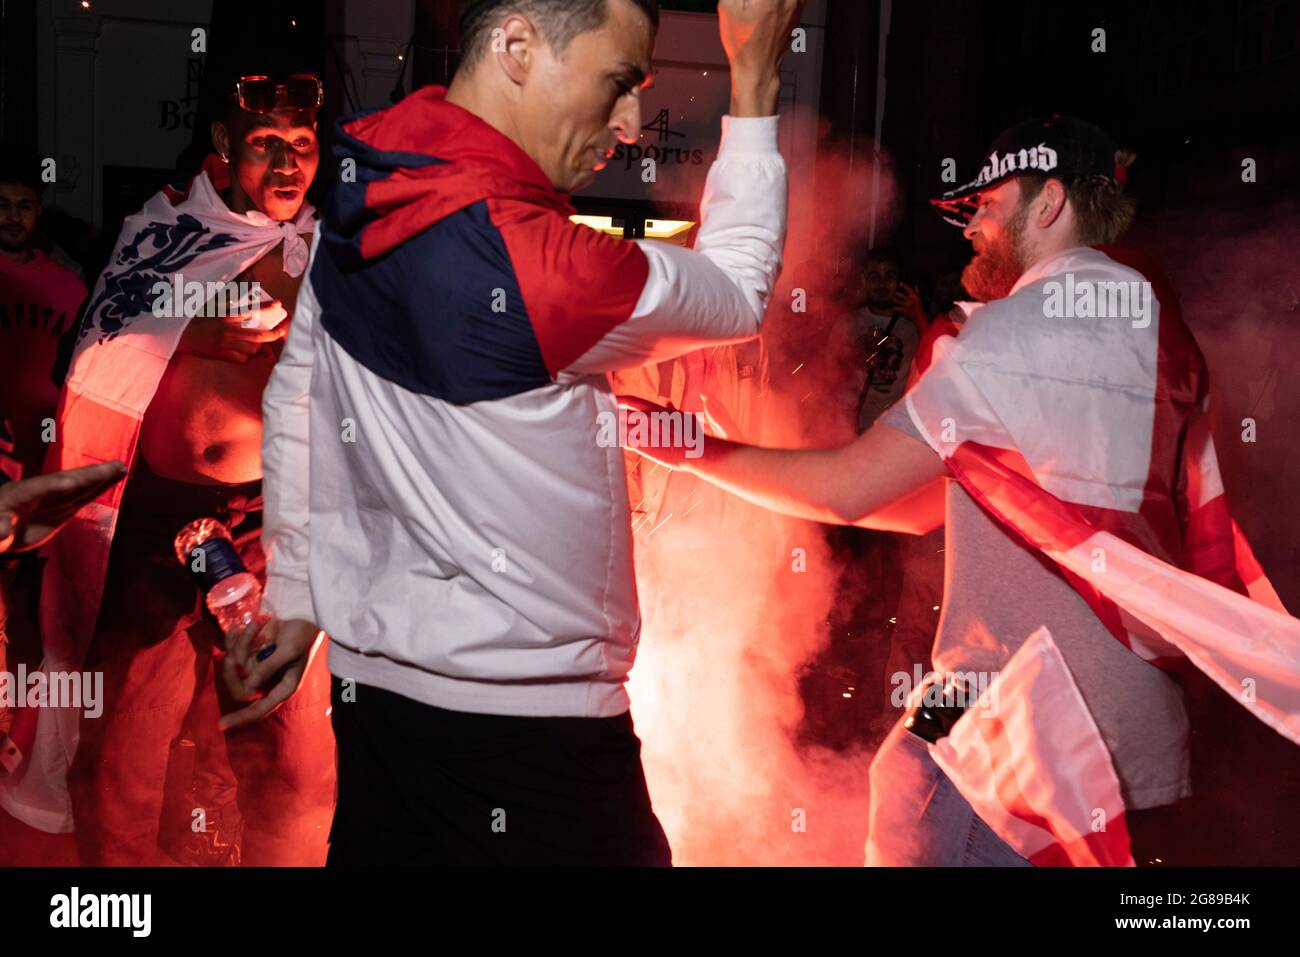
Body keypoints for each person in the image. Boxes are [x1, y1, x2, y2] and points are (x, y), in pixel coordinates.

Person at [618, 114, 1298, 865]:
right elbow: (913, 507)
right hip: (1116, 710)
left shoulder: (1016, 334)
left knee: (921, 811)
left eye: (987, 204)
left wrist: (684, 444)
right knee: (902, 769)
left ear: (1048, 206)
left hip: (1025, 722)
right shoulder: (1145, 322)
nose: (968, 225)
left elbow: (851, 490)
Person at [226, 0, 802, 866]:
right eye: (617, 84)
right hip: (539, 745)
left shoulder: (359, 191)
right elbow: (741, 285)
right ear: (518, 47)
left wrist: (302, 595)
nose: (630, 122)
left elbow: (299, 396)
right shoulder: (544, 265)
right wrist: (754, 74)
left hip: (376, 710)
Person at [1, 63, 336, 866]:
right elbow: (100, 333)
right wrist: (190, 325)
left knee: (299, 751)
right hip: (157, 516)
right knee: (126, 740)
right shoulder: (168, 227)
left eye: (302, 144)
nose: (288, 164)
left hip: (275, 520)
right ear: (224, 144)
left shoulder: (336, 246)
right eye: (265, 144)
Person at [833, 245, 928, 433]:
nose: (882, 284)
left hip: (890, 431)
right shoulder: (846, 323)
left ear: (899, 282)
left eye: (889, 277)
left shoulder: (912, 328)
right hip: (845, 426)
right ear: (863, 281)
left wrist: (919, 315)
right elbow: (827, 374)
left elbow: (938, 362)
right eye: (874, 276)